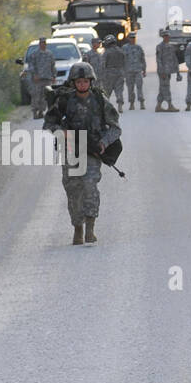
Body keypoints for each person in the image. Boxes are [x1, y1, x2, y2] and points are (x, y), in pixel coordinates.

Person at [44, 62, 120, 246]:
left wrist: (104, 142)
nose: (82, 85)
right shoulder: (63, 101)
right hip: (71, 151)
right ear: (73, 83)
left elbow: (115, 128)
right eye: (78, 82)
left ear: (91, 81)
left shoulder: (100, 101)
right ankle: (77, 228)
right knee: (73, 190)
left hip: (92, 152)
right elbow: (49, 123)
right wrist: (61, 132)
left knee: (89, 185)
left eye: (85, 81)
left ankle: (90, 228)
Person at [27, 37, 55, 119]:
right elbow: (31, 65)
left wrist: (54, 76)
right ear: (39, 44)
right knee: (36, 95)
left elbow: (52, 65)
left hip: (47, 78)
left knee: (45, 96)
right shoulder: (35, 54)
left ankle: (41, 111)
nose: (43, 44)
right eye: (42, 43)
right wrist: (34, 74)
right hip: (37, 79)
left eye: (44, 43)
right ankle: (35, 112)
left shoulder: (50, 54)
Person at [154, 30, 180, 112]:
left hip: (169, 71)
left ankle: (158, 106)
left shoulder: (171, 47)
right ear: (163, 37)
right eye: (165, 36)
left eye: (168, 36)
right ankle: (170, 105)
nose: (167, 37)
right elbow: (158, 60)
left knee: (162, 88)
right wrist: (162, 72)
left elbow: (175, 59)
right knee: (166, 88)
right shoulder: (159, 47)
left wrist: (177, 72)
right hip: (163, 72)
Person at [100, 34, 127, 111]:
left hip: (109, 73)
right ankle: (120, 105)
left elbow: (103, 64)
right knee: (119, 90)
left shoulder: (107, 52)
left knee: (107, 91)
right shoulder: (121, 51)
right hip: (120, 72)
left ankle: (106, 107)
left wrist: (102, 75)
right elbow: (125, 62)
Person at [123, 32, 147, 110]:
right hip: (128, 71)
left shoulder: (138, 47)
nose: (133, 39)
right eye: (131, 38)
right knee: (130, 88)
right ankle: (131, 103)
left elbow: (142, 59)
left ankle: (141, 102)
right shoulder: (124, 48)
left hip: (137, 70)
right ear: (128, 38)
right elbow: (122, 60)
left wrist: (144, 69)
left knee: (139, 87)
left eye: (134, 38)